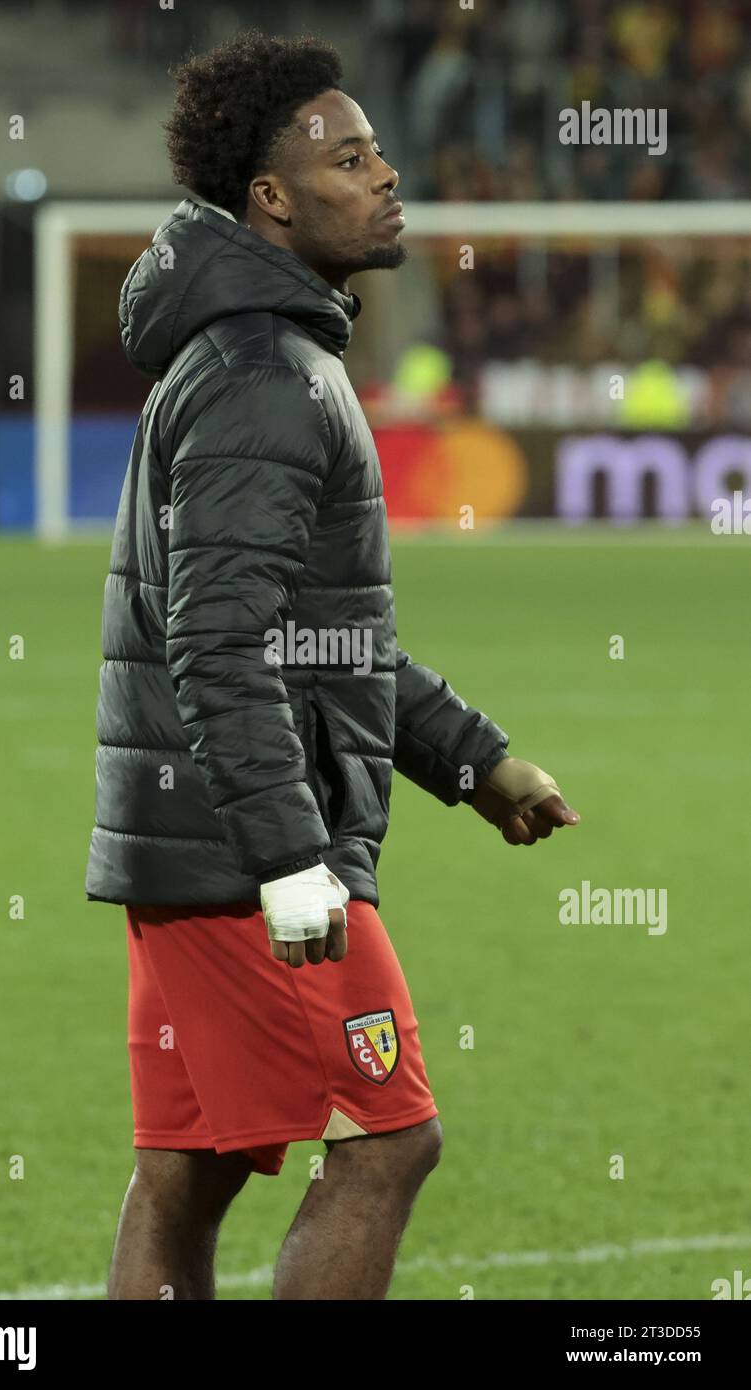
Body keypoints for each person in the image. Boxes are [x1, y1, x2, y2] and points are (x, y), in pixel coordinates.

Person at [85, 28, 579, 1302]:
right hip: (255, 858)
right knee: (387, 1141)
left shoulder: (250, 351)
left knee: (189, 1167)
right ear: (271, 197)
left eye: (376, 151)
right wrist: (290, 859)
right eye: (349, 158)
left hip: (183, 841)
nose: (385, 174)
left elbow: (320, 637)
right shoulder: (263, 372)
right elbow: (221, 640)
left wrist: (470, 760)